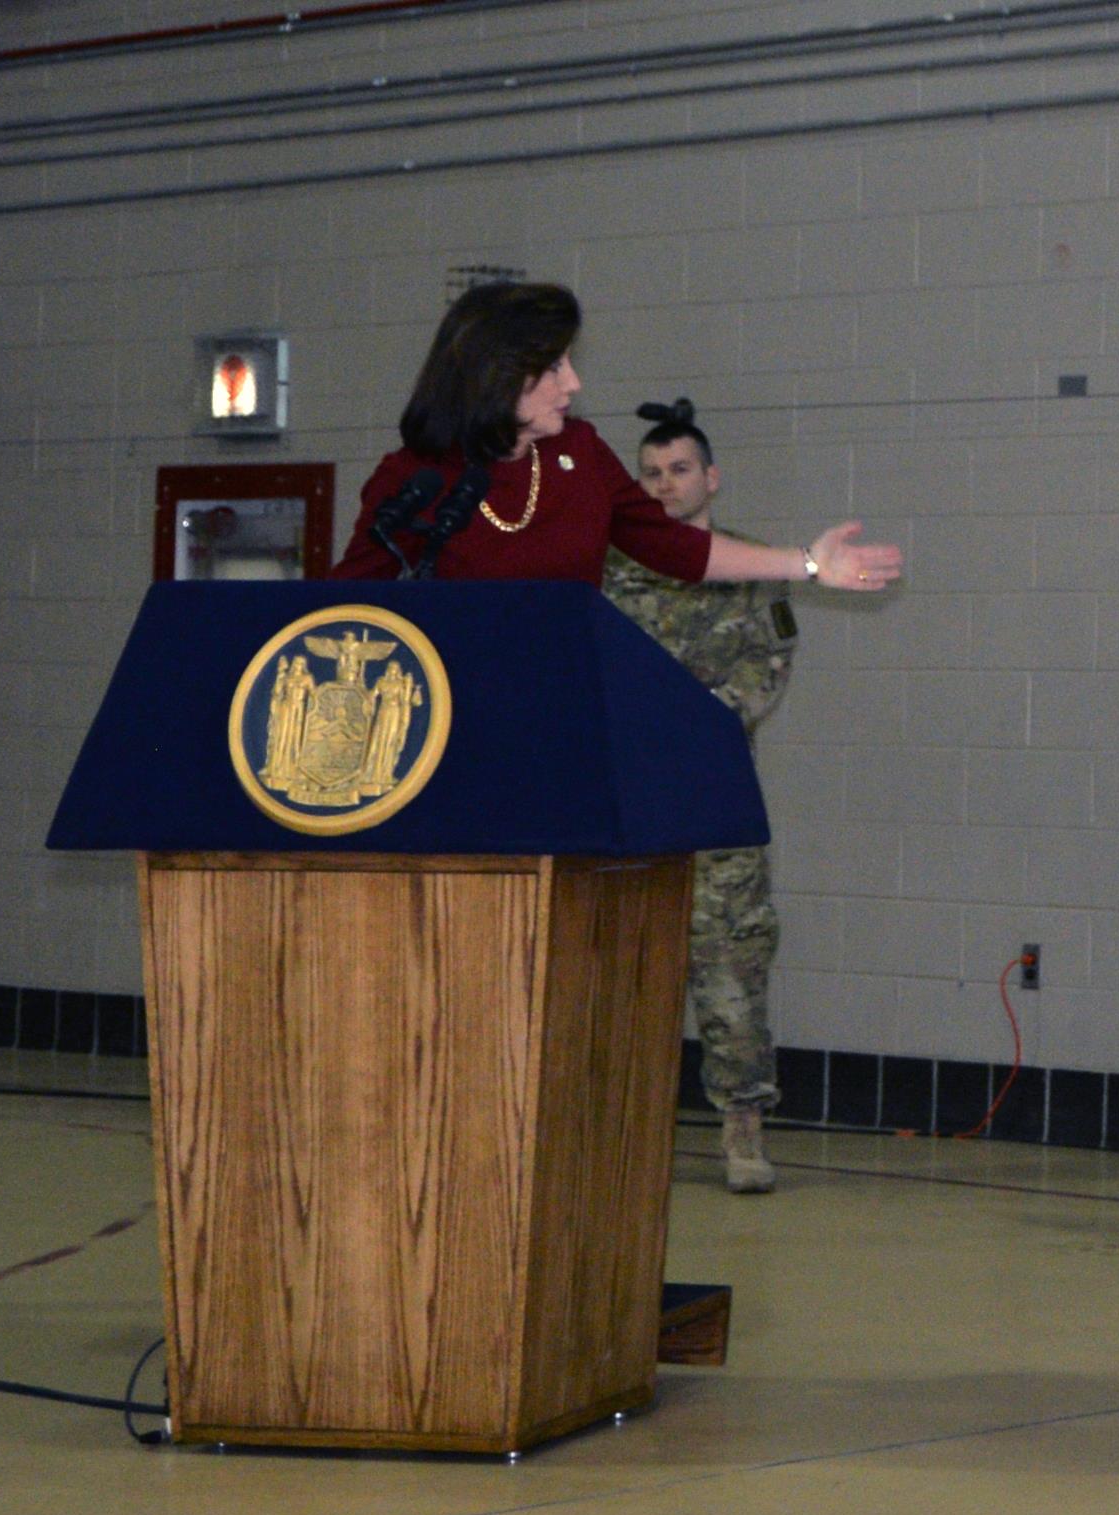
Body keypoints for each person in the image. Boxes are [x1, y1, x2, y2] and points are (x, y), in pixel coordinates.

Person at [337, 280, 898, 595]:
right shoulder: (415, 478)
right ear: (499, 374)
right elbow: (348, 603)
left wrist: (806, 563)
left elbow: (675, 547)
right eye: (554, 367)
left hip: (564, 714)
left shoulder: (578, 453)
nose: (573, 383)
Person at [604, 398, 803, 1194]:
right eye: (650, 474)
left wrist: (700, 721)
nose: (664, 487)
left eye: (679, 471)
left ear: (711, 478)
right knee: (617, 971)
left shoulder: (750, 566)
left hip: (713, 796)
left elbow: (768, 668)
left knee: (731, 969)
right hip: (621, 804)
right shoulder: (606, 569)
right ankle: (614, 1129)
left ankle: (743, 1131)